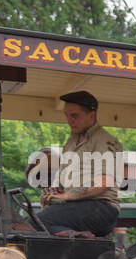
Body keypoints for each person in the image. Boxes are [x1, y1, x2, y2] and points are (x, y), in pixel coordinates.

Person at [29, 90, 124, 237]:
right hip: (79, 205)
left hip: (101, 207)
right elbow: (63, 180)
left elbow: (104, 181)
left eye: (74, 116)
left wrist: (67, 196)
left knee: (36, 222)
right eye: (67, 116)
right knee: (29, 225)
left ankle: (81, 239)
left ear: (91, 115)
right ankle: (77, 241)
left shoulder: (104, 141)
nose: (69, 121)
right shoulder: (71, 141)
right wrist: (53, 192)